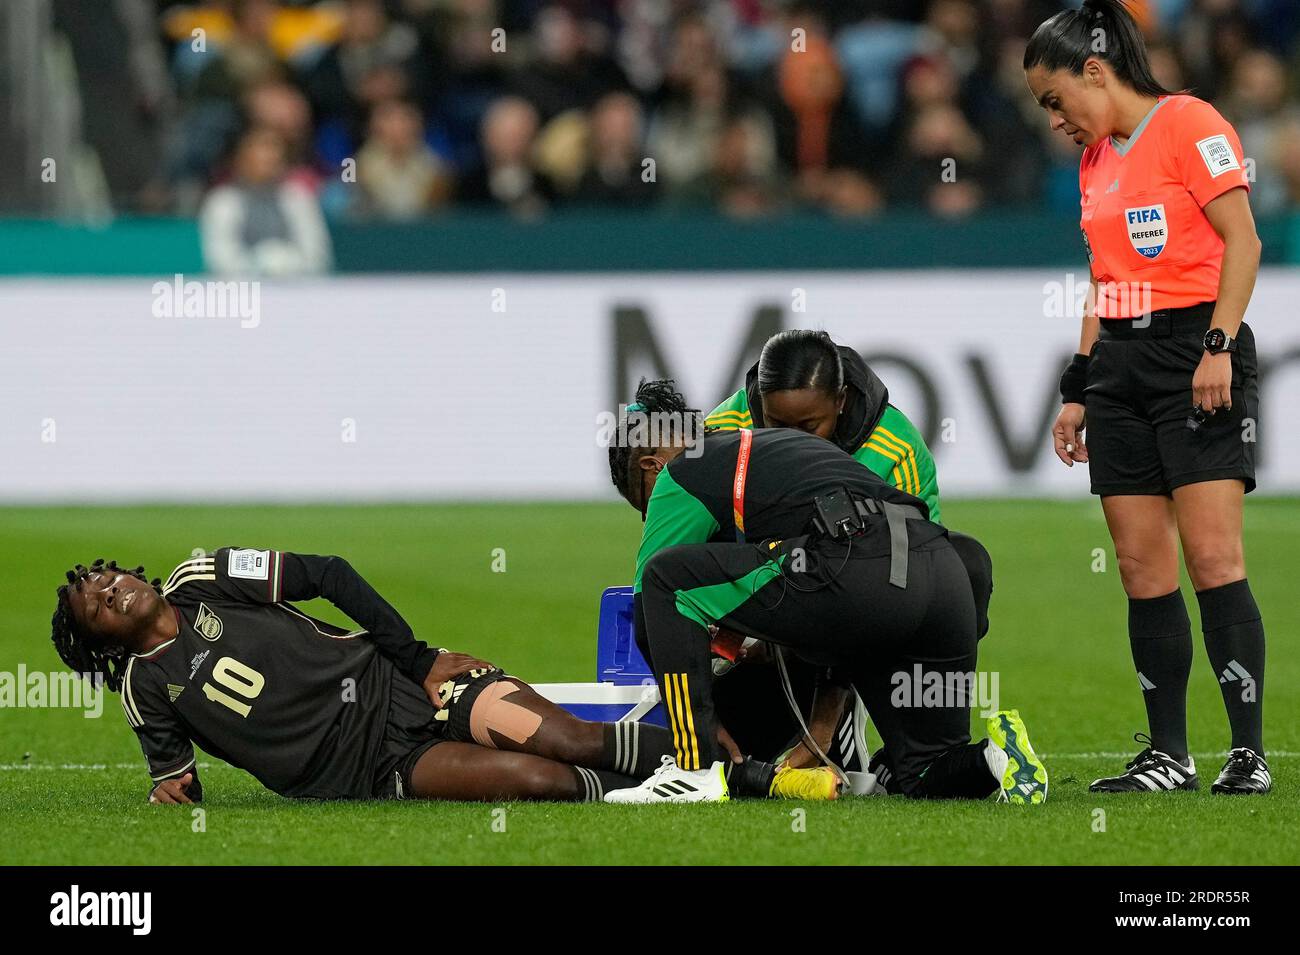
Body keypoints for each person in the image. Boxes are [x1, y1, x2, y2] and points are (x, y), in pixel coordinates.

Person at [51, 550, 831, 803]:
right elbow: (174, 779)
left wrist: (416, 657)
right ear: (102, 640)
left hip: (400, 680)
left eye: (109, 575)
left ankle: (760, 770)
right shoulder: (142, 691)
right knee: (536, 779)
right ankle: (670, 785)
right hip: (368, 766)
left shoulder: (202, 576)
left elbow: (329, 572)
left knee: (574, 735)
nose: (113, 586)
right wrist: (170, 789)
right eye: (98, 602)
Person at [1025, 0, 1269, 794]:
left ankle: (1247, 752)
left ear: (1095, 69)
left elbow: (1244, 240)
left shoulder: (1191, 122)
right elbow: (1104, 283)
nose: (1055, 119)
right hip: (1120, 368)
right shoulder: (1096, 162)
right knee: (1139, 565)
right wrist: (1078, 389)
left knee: (1212, 557)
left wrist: (1219, 345)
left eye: (1056, 98)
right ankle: (1169, 754)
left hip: (1195, 353)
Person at [603, 380, 1045, 804]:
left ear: (651, 467)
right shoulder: (781, 451)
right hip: (942, 573)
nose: (652, 515)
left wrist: (699, 726)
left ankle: (693, 772)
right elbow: (827, 612)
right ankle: (998, 758)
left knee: (667, 579)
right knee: (925, 770)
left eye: (643, 503)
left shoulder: (680, 474)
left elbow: (651, 608)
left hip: (861, 570)